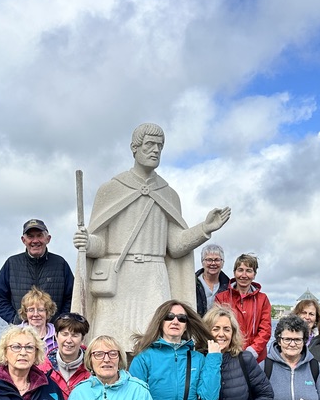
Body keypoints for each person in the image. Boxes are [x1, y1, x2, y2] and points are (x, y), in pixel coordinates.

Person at [74, 123, 230, 349]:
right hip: (118, 276)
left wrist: (204, 228)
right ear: (134, 148)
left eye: (160, 146)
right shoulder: (111, 189)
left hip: (154, 277)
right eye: (149, 144)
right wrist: (87, 242)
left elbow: (175, 247)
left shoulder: (168, 194)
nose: (155, 150)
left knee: (157, 343)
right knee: (108, 345)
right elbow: (101, 243)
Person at [0, 218, 74, 325]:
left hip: (54, 333)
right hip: (21, 333)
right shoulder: (11, 263)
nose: (35, 241)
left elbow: (71, 296)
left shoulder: (60, 263)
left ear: (48, 239)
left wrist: (60, 321)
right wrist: (14, 320)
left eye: (39, 235)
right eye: (30, 236)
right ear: (23, 240)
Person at [214, 253, 272, 362]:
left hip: (256, 358)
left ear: (254, 274)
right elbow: (217, 327)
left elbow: (266, 329)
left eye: (249, 271)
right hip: (228, 355)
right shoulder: (221, 298)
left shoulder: (263, 299)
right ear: (234, 273)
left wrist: (252, 351)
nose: (244, 275)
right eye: (240, 270)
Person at [19, 288, 58, 364]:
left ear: (48, 312)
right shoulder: (15, 334)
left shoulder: (58, 335)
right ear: (25, 312)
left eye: (40, 310)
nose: (36, 314)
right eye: (31, 310)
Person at [195, 243, 229, 315]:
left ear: (222, 263)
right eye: (209, 260)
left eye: (217, 260)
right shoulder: (193, 283)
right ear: (202, 262)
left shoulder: (229, 287)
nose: (213, 263)